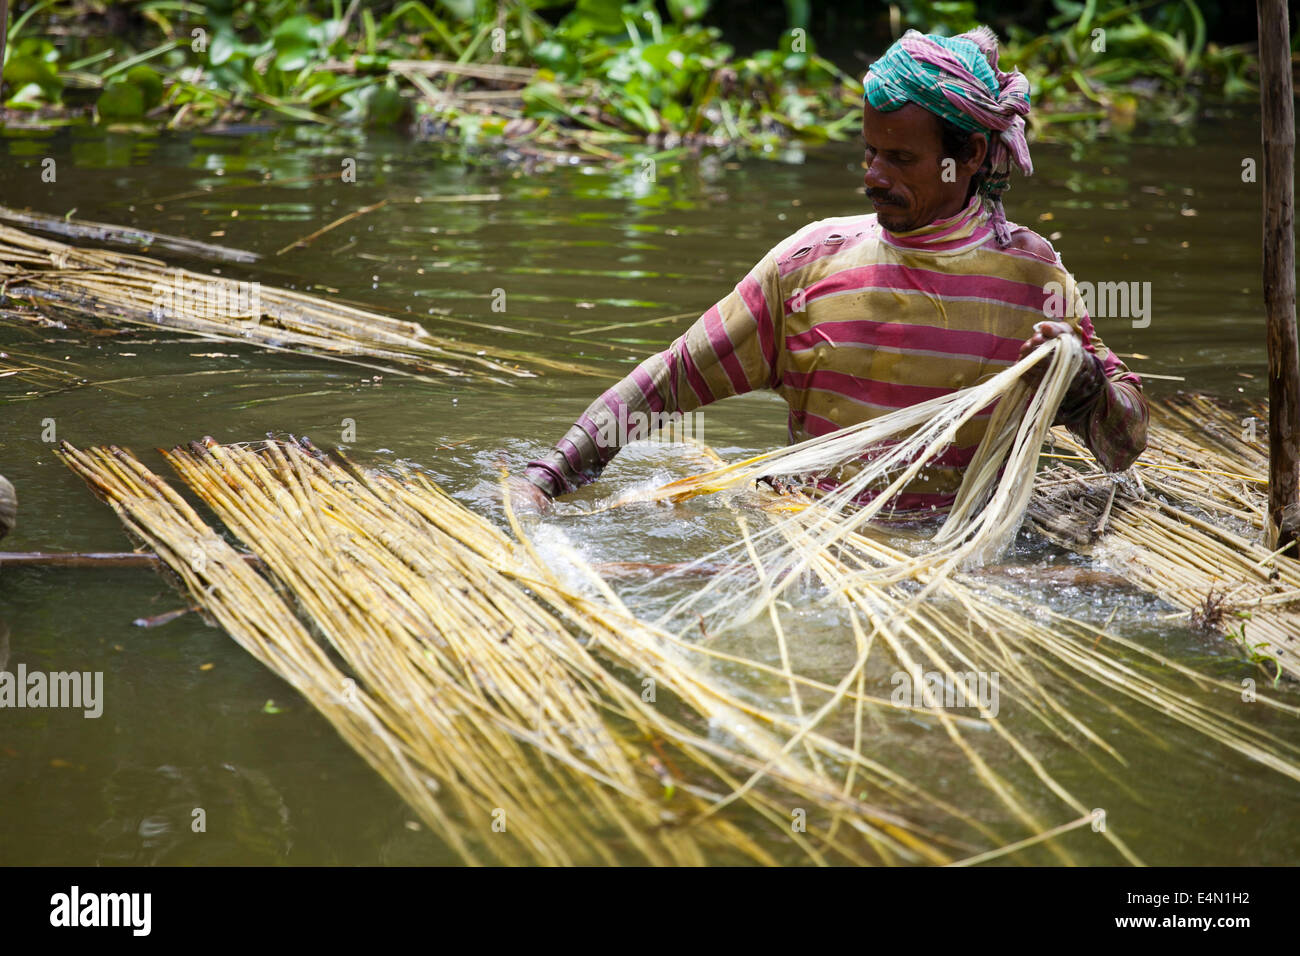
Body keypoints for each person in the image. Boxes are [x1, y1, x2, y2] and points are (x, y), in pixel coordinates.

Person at [510, 26, 1147, 515]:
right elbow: (669, 380)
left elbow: (1124, 446)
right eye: (869, 151)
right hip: (807, 545)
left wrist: (1085, 384)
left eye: (900, 158)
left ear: (971, 155)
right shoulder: (811, 264)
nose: (873, 176)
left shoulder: (1033, 281)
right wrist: (549, 477)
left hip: (956, 556)